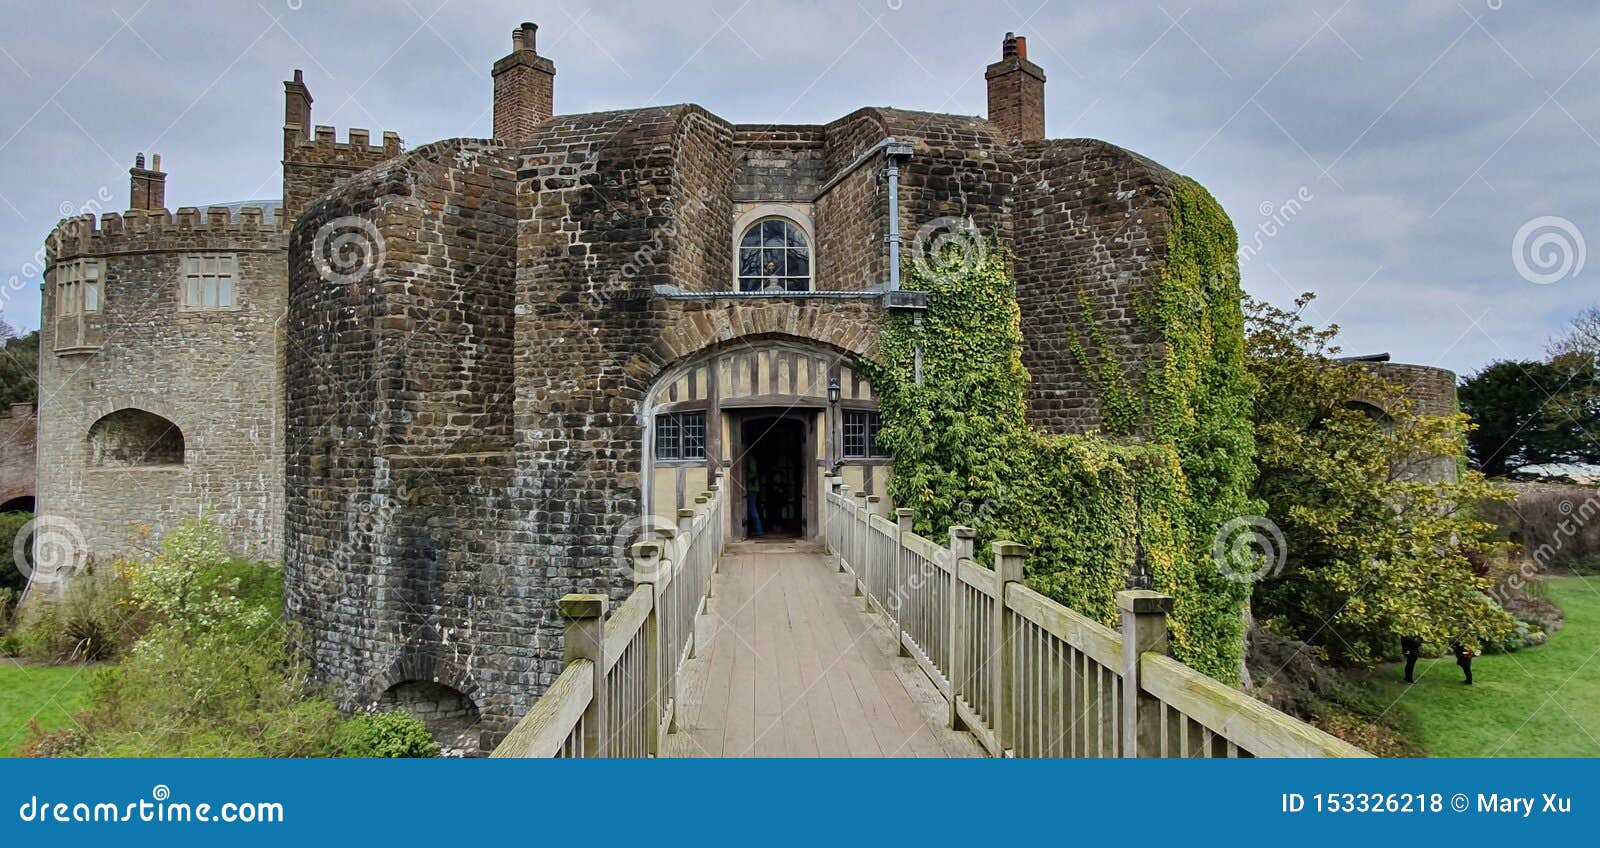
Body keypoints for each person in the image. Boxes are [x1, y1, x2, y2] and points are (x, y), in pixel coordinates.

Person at [745, 455, 764, 537]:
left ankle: (758, 530)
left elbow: (753, 473)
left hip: (752, 488)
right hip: (753, 487)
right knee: (752, 509)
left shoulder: (751, 458)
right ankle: (755, 530)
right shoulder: (752, 459)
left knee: (752, 509)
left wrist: (745, 475)